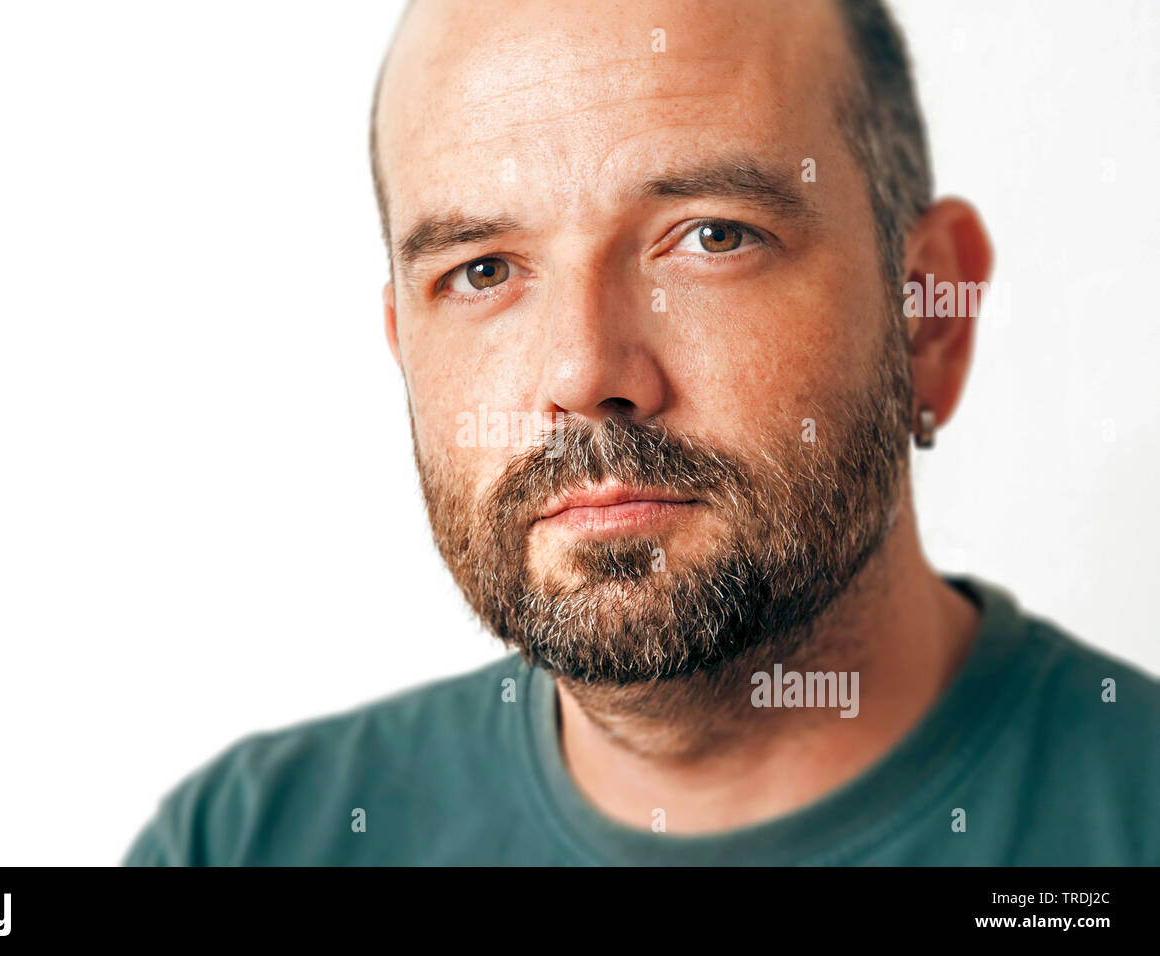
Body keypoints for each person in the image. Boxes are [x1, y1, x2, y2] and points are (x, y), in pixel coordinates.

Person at [123, 0, 1159, 866]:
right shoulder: (242, 843)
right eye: (482, 270)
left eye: (712, 235)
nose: (584, 374)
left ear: (928, 310)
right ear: (404, 342)